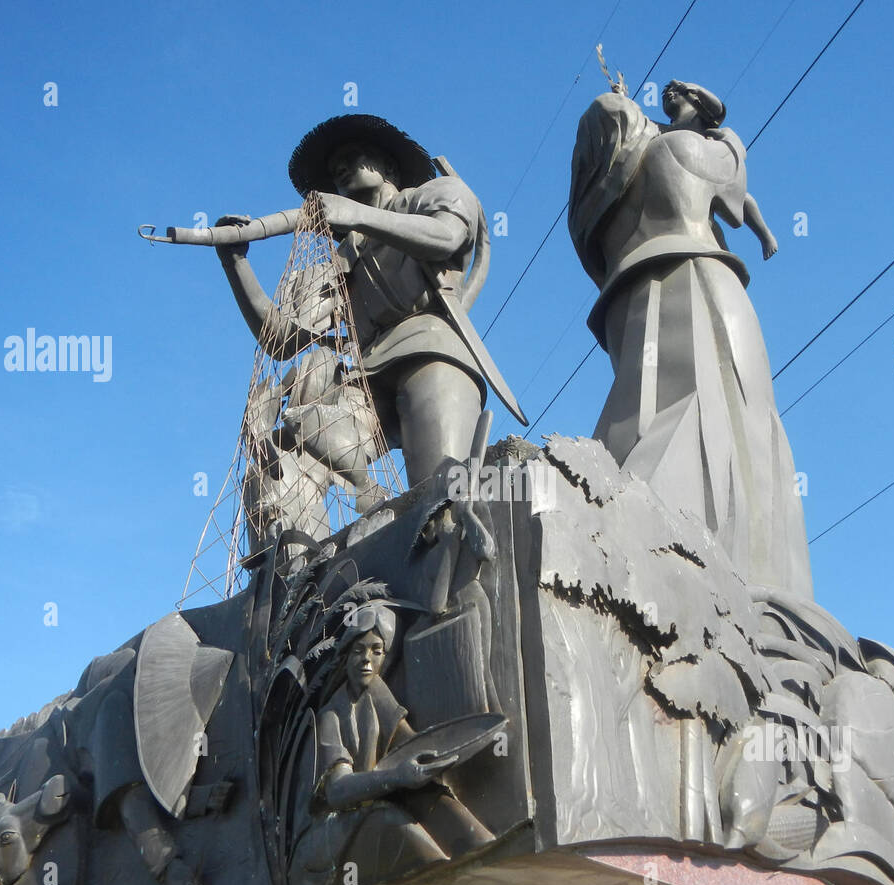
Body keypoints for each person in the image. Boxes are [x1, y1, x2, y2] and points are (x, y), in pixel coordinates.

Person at [569, 80, 813, 599]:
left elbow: (733, 201)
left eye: (676, 101)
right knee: (726, 413)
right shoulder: (689, 148)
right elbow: (733, 193)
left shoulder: (617, 171)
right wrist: (732, 142)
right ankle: (716, 572)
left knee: (645, 411)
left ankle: (607, 539)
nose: (668, 106)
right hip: (695, 279)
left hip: (630, 296)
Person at [216, 114, 523, 488]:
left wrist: (360, 216)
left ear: (388, 166)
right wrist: (235, 261)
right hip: (365, 378)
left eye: (352, 155)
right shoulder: (340, 260)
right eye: (334, 170)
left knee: (442, 494)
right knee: (291, 461)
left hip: (429, 351)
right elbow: (280, 339)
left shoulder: (434, 194)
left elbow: (447, 236)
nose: (341, 169)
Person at [286, 603, 492, 885]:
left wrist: (441, 756)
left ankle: (481, 847)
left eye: (376, 650)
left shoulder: (377, 693)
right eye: (358, 650)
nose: (366, 659)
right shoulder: (331, 715)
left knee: (429, 795)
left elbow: (408, 744)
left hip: (370, 806)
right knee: (388, 818)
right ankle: (445, 876)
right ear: (345, 656)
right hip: (325, 838)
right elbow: (337, 790)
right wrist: (396, 777)